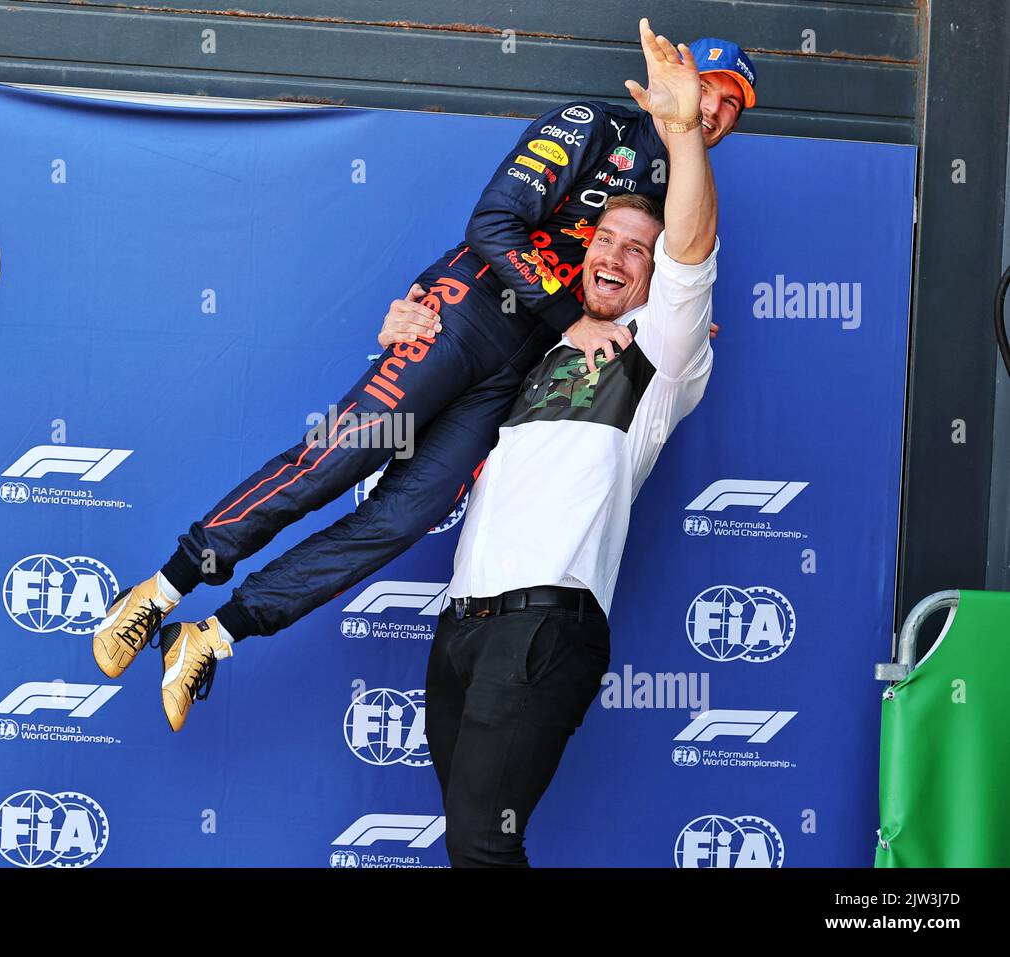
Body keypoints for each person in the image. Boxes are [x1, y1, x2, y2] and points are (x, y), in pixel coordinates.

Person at [92, 18, 757, 733]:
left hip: (525, 370)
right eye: (710, 90)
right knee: (336, 459)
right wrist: (560, 317)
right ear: (675, 81)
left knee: (402, 518)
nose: (716, 111)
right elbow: (493, 223)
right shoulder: (594, 126)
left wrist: (671, 319)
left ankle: (213, 635)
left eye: (733, 105)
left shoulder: (688, 194)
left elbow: (674, 290)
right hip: (465, 317)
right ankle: (162, 590)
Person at [426, 22, 723, 866]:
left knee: (483, 846)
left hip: (543, 626)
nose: (616, 256)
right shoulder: (542, 342)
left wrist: (683, 132)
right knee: (474, 849)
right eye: (605, 240)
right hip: (461, 625)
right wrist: (408, 316)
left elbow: (691, 246)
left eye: (638, 250)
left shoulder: (661, 350)